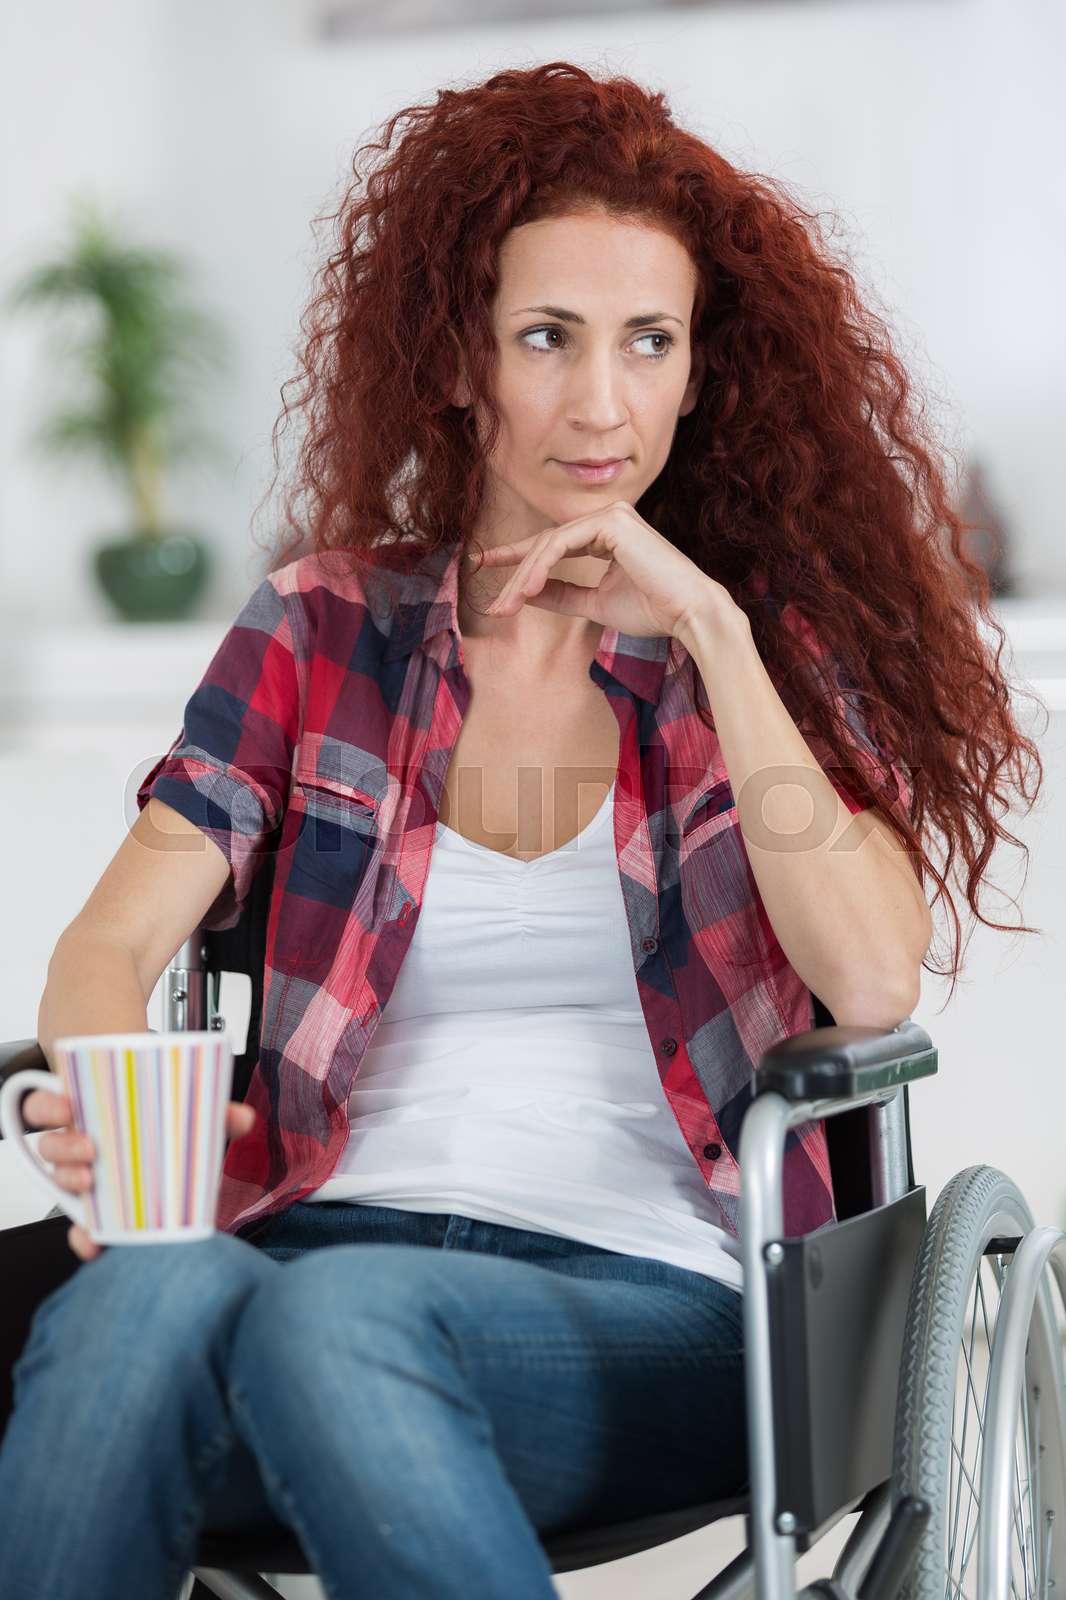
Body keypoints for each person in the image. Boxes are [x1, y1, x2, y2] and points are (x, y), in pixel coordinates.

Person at [0, 59, 1038, 1600]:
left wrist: (708, 630)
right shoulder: (320, 628)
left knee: (329, 1323)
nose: (599, 401)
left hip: (664, 1299)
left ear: (698, 374)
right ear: (462, 363)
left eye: (648, 343)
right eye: (546, 338)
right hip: (317, 1235)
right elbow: (114, 938)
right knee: (120, 1304)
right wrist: (94, 1083)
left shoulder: (764, 654)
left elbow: (872, 979)